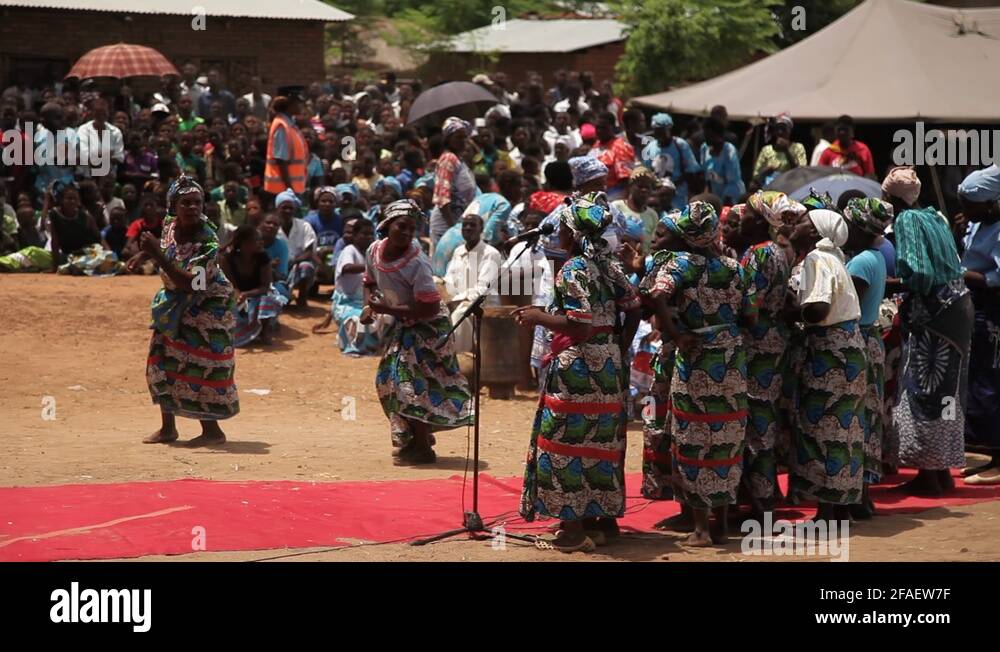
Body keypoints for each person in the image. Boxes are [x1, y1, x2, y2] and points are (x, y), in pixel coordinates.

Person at [514, 192, 640, 553]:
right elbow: (633, 307)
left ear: (572, 234)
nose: (558, 236)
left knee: (563, 445)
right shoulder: (610, 264)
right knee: (599, 443)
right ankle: (597, 521)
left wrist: (538, 316)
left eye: (562, 230)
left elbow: (579, 325)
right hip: (609, 365)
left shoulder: (573, 270)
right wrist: (618, 346)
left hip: (579, 367)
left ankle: (571, 530)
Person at [645, 201, 755, 546]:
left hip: (695, 362)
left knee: (692, 442)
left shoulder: (681, 265)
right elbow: (751, 316)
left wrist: (677, 333)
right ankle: (720, 523)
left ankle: (700, 529)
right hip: (731, 361)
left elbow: (655, 294)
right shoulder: (734, 267)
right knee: (725, 442)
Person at [131, 176, 238, 446]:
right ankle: (168, 428)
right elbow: (167, 248)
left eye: (197, 203)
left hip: (206, 311)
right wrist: (145, 254)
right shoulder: (170, 225)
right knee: (162, 360)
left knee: (200, 366)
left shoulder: (208, 241)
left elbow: (193, 284)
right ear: (173, 207)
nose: (192, 207)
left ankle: (212, 431)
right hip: (174, 305)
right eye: (186, 203)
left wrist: (156, 255)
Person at [363, 199, 473, 464]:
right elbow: (368, 282)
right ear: (388, 225)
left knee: (411, 384)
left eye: (412, 229)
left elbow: (429, 306)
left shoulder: (417, 262)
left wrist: (389, 310)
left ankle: (423, 446)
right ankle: (413, 436)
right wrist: (370, 306)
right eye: (402, 226)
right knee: (386, 380)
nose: (407, 233)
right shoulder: (374, 251)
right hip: (406, 322)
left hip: (431, 328)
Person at [888, 169, 972, 495]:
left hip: (934, 315)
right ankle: (943, 471)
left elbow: (919, 273)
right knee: (950, 391)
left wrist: (890, 284)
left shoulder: (907, 220)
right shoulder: (935, 215)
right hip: (958, 308)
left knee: (926, 391)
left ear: (893, 198)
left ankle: (929, 474)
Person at [788, 209, 866, 521]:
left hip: (829, 348)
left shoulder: (817, 259)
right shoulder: (835, 258)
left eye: (805, 221)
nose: (797, 224)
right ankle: (840, 506)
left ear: (816, 232)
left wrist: (789, 311)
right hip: (848, 345)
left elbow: (817, 309)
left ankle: (826, 512)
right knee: (844, 428)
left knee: (824, 427)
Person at [739, 191, 797, 520]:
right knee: (764, 420)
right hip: (772, 340)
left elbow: (750, 308)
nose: (741, 219)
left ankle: (762, 508)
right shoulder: (776, 251)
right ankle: (764, 495)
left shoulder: (760, 255)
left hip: (758, 344)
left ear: (760, 220)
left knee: (757, 425)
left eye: (747, 214)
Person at [842, 197, 893, 518]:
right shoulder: (875, 257)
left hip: (858, 337)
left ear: (860, 229)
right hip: (871, 337)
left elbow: (848, 305)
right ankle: (864, 494)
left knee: (857, 418)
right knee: (868, 416)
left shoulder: (861, 262)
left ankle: (857, 494)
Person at [956, 165, 1000, 484]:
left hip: (993, 310)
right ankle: (989, 453)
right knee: (977, 379)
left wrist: (965, 276)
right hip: (976, 310)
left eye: (970, 205)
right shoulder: (978, 223)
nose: (964, 211)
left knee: (992, 381)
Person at [444, 213, 503, 352]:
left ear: (481, 229)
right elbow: (449, 280)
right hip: (458, 301)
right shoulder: (458, 251)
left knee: (460, 314)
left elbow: (482, 289)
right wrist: (446, 297)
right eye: (465, 225)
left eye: (473, 225)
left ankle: (460, 358)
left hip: (482, 304)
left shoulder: (490, 253)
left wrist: (455, 301)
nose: (468, 228)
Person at [222, 224, 287, 346]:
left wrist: (247, 294)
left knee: (268, 299)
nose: (261, 243)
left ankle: (264, 331)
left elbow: (265, 287)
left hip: (257, 295)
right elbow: (231, 284)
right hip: (237, 296)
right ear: (243, 243)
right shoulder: (228, 259)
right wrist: (238, 295)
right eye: (256, 240)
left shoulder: (264, 258)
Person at [430, 117, 477, 246]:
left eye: (464, 137)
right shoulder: (448, 159)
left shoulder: (459, 161)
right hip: (446, 224)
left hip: (458, 222)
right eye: (458, 137)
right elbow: (442, 198)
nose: (463, 141)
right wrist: (454, 229)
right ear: (448, 139)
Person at [642, 112, 700, 211]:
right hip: (657, 196)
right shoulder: (651, 147)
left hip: (678, 196)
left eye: (662, 131)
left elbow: (690, 171)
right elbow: (647, 171)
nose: (659, 135)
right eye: (656, 132)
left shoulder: (680, 145)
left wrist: (671, 186)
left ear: (669, 129)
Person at [264, 87, 309, 200]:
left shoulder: (289, 124)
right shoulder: (281, 126)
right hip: (283, 190)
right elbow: (281, 160)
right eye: (298, 103)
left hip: (291, 188)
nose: (301, 106)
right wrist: (290, 190)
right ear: (290, 105)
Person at [275, 189, 317, 307]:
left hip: (298, 264)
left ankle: (302, 296)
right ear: (277, 208)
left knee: (306, 267)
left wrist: (293, 261)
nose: (287, 211)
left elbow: (309, 252)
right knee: (283, 301)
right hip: (277, 267)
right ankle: (285, 295)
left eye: (291, 208)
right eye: (284, 207)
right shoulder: (272, 227)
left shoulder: (304, 226)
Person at [752, 113, 806, 189]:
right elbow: (756, 176)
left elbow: (801, 172)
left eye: (783, 129)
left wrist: (787, 151)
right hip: (770, 189)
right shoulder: (766, 150)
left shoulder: (797, 147)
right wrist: (766, 171)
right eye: (778, 129)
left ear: (789, 131)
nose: (780, 132)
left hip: (791, 188)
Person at [589, 111, 636, 198]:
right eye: (597, 127)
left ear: (613, 128)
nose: (599, 131)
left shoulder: (621, 147)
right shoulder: (597, 144)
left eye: (603, 128)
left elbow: (626, 180)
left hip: (613, 196)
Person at [611, 166, 658, 251]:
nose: (644, 190)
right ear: (630, 186)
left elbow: (652, 244)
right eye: (640, 186)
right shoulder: (616, 207)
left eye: (647, 187)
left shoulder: (653, 215)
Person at [700, 117, 745, 205]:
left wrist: (724, 204)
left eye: (709, 136)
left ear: (718, 135)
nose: (706, 138)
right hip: (715, 196)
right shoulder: (704, 148)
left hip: (732, 197)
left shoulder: (729, 151)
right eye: (705, 135)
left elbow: (733, 181)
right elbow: (707, 178)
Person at [77, 98, 124, 179]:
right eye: (98, 113)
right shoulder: (83, 130)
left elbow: (119, 158)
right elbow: (85, 156)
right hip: (89, 177)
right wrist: (108, 154)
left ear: (108, 113)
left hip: (109, 179)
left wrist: (97, 156)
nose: (101, 116)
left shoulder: (115, 132)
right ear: (92, 113)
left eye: (104, 113)